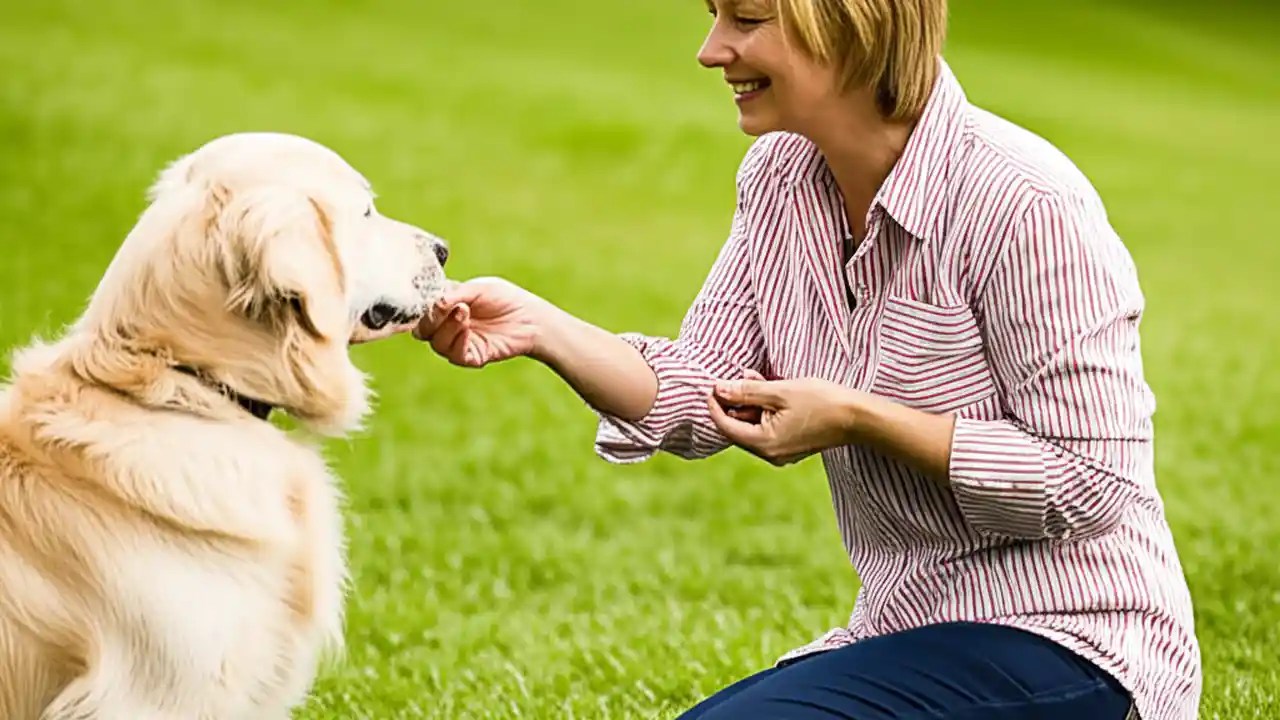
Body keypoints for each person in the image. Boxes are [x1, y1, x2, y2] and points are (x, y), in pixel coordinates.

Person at [413, 0, 1201, 718]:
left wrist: (860, 419)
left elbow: (1092, 482)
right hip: (909, 624)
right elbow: (702, 390)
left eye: (746, 19)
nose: (711, 49)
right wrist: (542, 328)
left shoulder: (1025, 204)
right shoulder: (780, 180)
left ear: (854, 24)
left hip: (1080, 643)